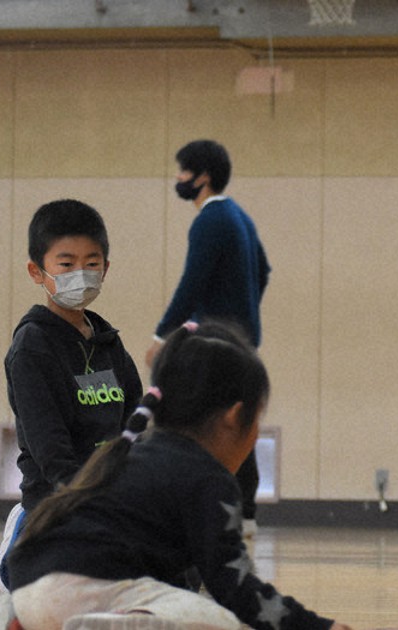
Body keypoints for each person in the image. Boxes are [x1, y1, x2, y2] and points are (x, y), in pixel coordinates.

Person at [5, 321, 353, 630]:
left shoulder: (130, 455)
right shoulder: (207, 478)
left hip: (27, 593)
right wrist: (317, 626)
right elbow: (235, 589)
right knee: (218, 622)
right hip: (82, 596)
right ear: (235, 417)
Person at [0, 200, 143, 591]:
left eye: (92, 263)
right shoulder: (32, 348)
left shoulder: (109, 344)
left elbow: (136, 425)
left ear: (106, 268)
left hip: (110, 502)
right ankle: (19, 547)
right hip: (57, 506)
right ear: (37, 271)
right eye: (66, 263)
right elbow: (51, 452)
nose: (81, 274)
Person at [146, 139, 271, 535]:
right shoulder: (240, 216)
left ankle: (200, 507)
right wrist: (244, 310)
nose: (178, 179)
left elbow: (192, 282)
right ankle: (245, 512)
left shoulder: (209, 220)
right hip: (242, 338)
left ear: (202, 177)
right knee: (237, 417)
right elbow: (263, 270)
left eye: (183, 171)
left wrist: (162, 334)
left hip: (215, 341)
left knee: (201, 418)